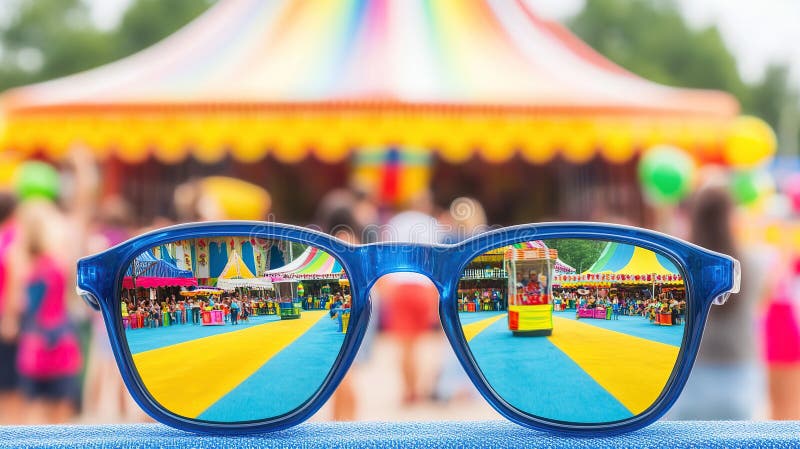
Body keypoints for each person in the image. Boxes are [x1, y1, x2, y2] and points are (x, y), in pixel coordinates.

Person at [667, 184, 765, 420]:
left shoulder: (680, 265)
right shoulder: (753, 263)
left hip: (688, 378)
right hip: (739, 376)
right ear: (730, 216)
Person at [15, 200, 83, 424]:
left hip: (33, 343)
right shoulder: (58, 264)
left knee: (33, 413)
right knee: (61, 416)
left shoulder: (22, 264)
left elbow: (19, 305)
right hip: (60, 340)